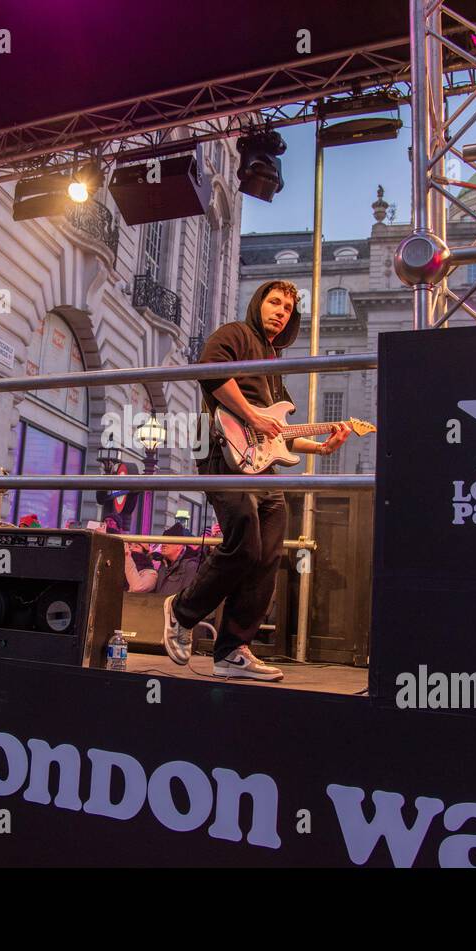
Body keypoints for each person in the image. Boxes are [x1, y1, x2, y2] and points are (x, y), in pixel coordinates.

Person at [161, 279, 351, 681]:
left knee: (267, 556)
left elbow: (276, 433)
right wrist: (251, 415)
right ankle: (182, 611)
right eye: (275, 302)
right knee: (244, 542)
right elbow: (210, 370)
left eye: (288, 308)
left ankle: (231, 651)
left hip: (262, 467)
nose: (281, 312)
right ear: (258, 302)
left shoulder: (274, 365)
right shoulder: (235, 334)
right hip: (221, 452)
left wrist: (321, 448)